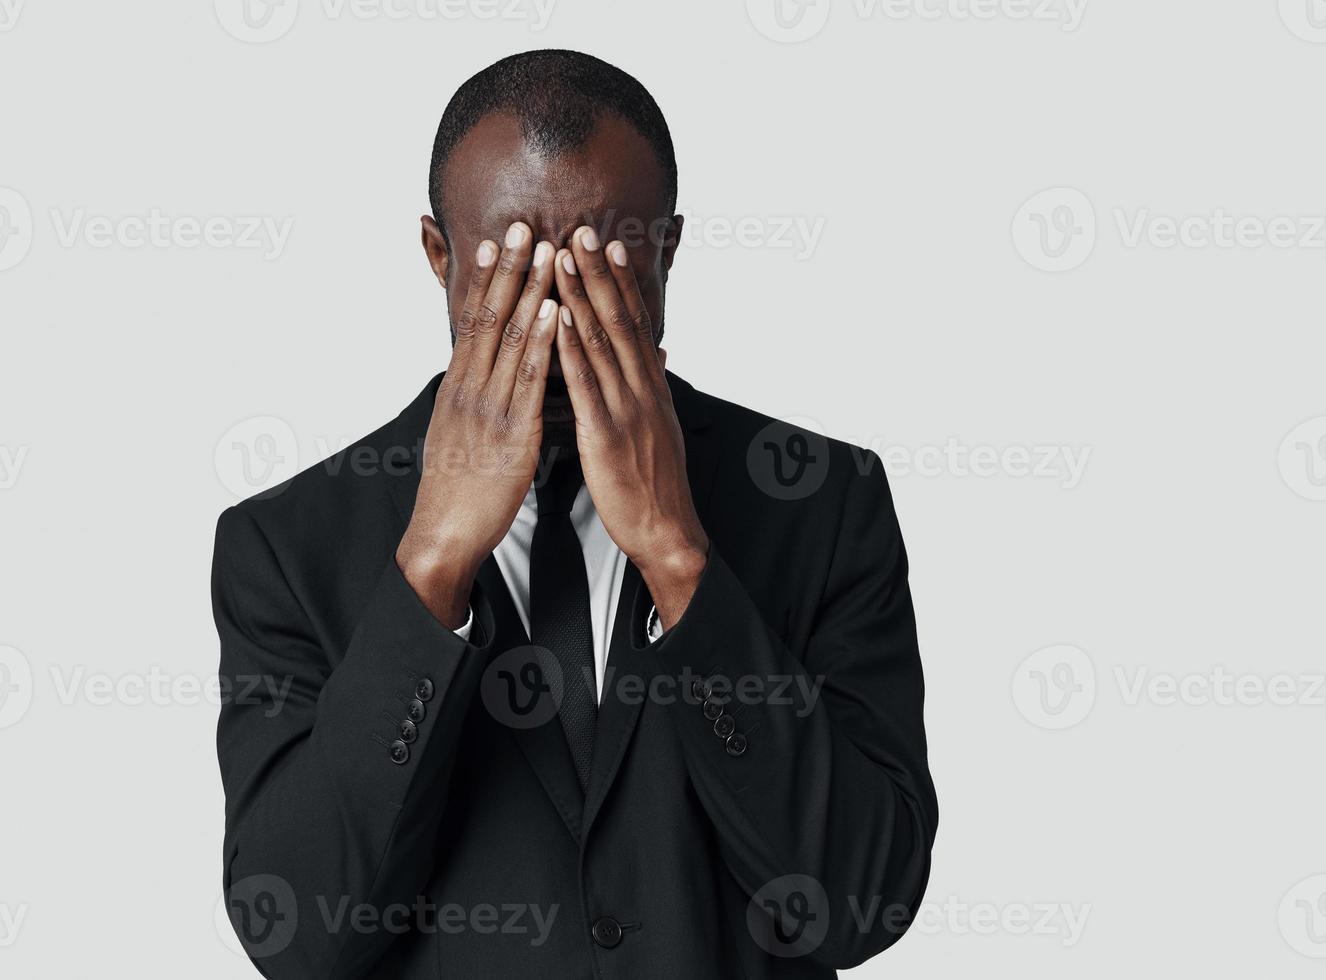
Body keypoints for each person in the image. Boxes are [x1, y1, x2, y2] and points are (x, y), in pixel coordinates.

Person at [213, 48, 937, 980]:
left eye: (601, 267)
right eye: (511, 269)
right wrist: (431, 567)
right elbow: (297, 937)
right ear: (438, 255)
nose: (555, 316)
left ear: (667, 250)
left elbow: (861, 899)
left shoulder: (824, 506)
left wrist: (678, 558)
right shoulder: (284, 545)